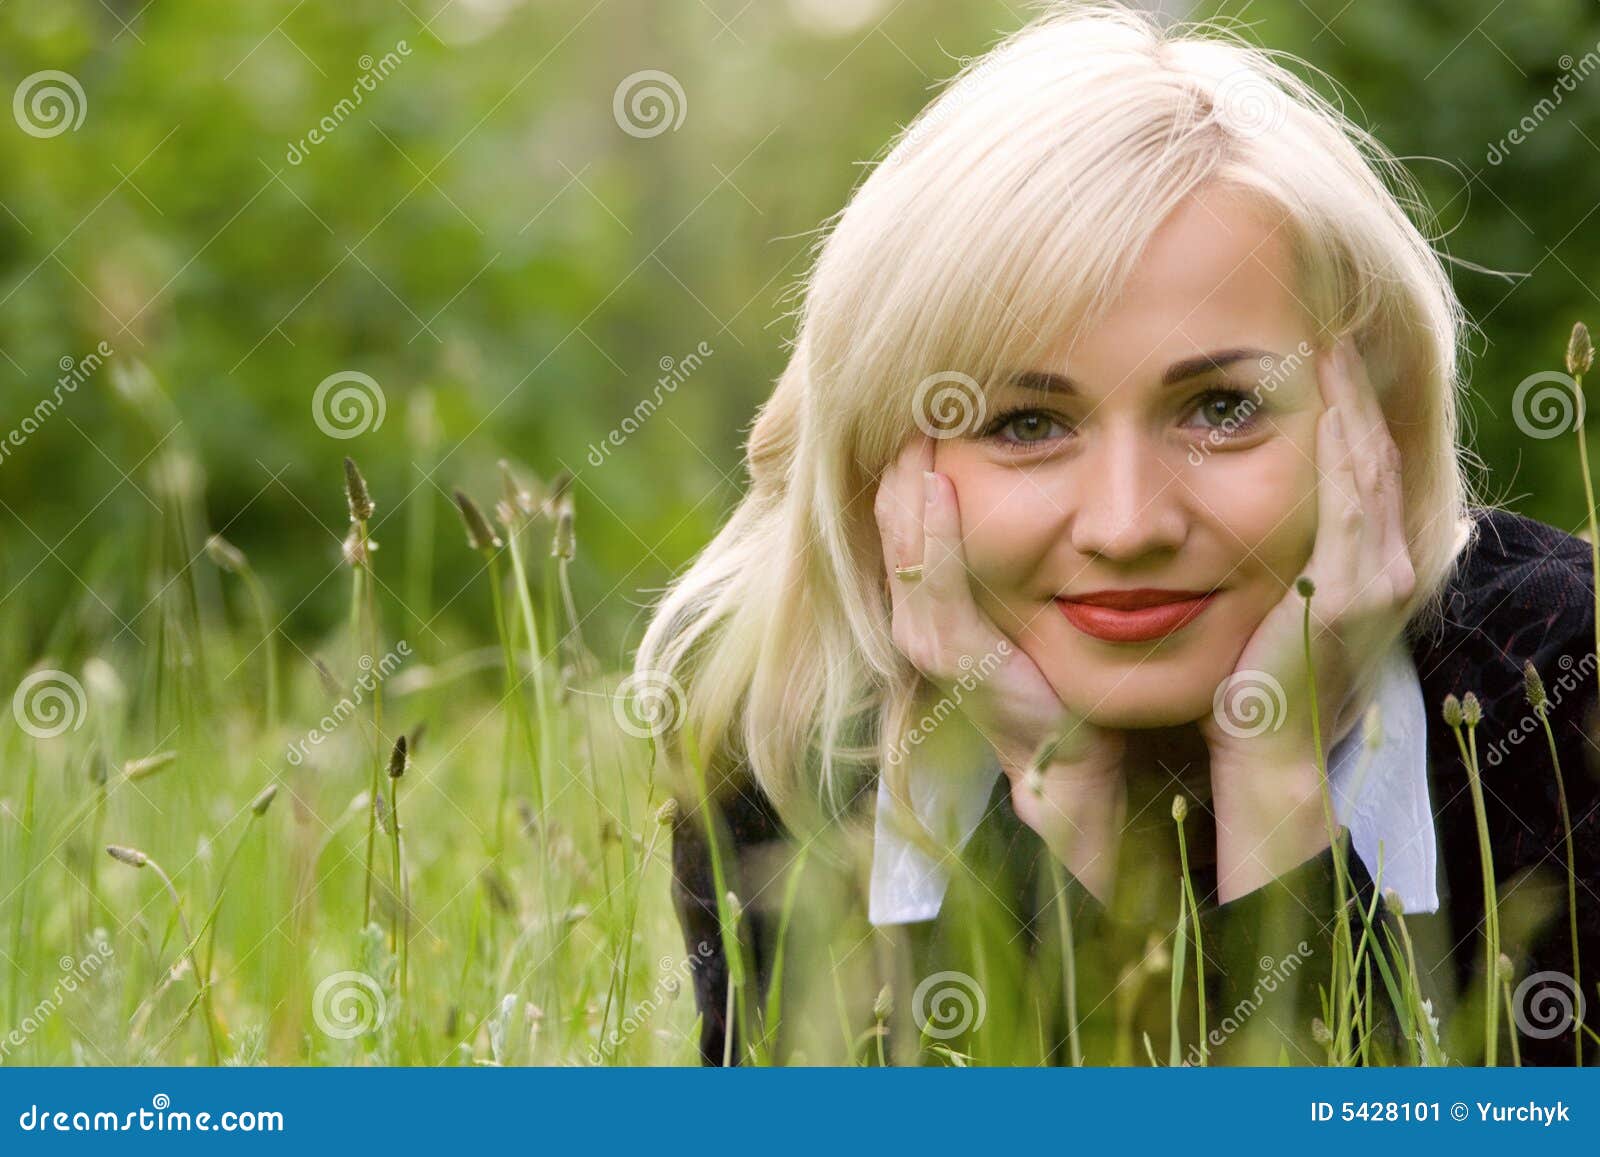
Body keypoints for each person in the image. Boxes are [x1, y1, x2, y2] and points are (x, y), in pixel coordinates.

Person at [633, 0, 1600, 1066]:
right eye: (1026, 423)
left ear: (1367, 410)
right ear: (883, 460)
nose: (1129, 523)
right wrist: (1059, 808)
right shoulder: (793, 725)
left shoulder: (1558, 681)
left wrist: (1274, 778)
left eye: (1221, 407)